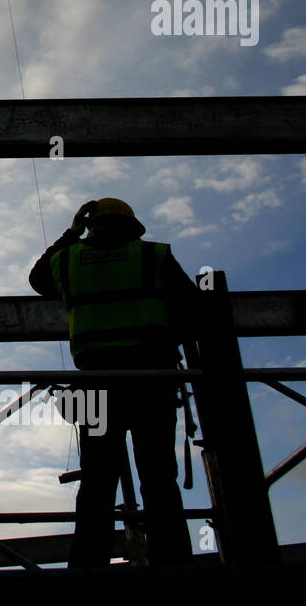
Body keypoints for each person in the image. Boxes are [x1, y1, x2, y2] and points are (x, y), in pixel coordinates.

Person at [28, 198, 197, 568]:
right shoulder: (153, 256)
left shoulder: (68, 260)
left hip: (96, 382)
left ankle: (88, 567)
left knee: (98, 482)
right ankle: (174, 565)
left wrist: (71, 233)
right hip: (151, 379)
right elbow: (192, 309)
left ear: (92, 225)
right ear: (131, 225)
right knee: (158, 479)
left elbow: (37, 279)